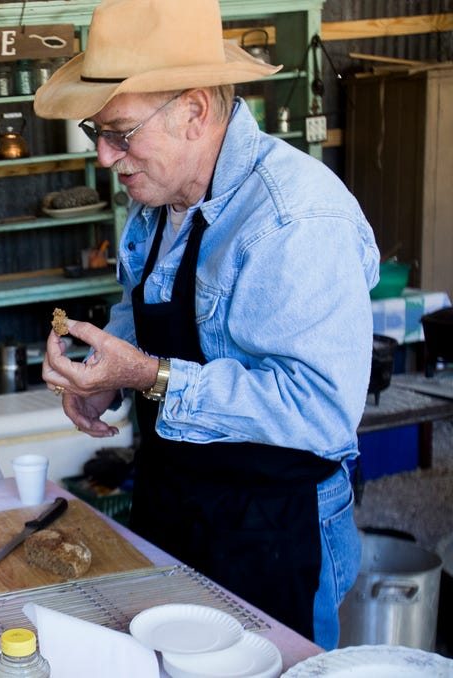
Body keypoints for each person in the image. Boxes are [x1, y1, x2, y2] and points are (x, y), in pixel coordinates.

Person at [34, 0, 379, 649]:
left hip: (271, 530)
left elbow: (321, 412)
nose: (106, 157)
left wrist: (146, 374)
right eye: (96, 132)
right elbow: (153, 303)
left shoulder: (295, 219)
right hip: (175, 495)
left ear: (194, 111)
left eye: (121, 133)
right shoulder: (162, 196)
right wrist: (104, 373)